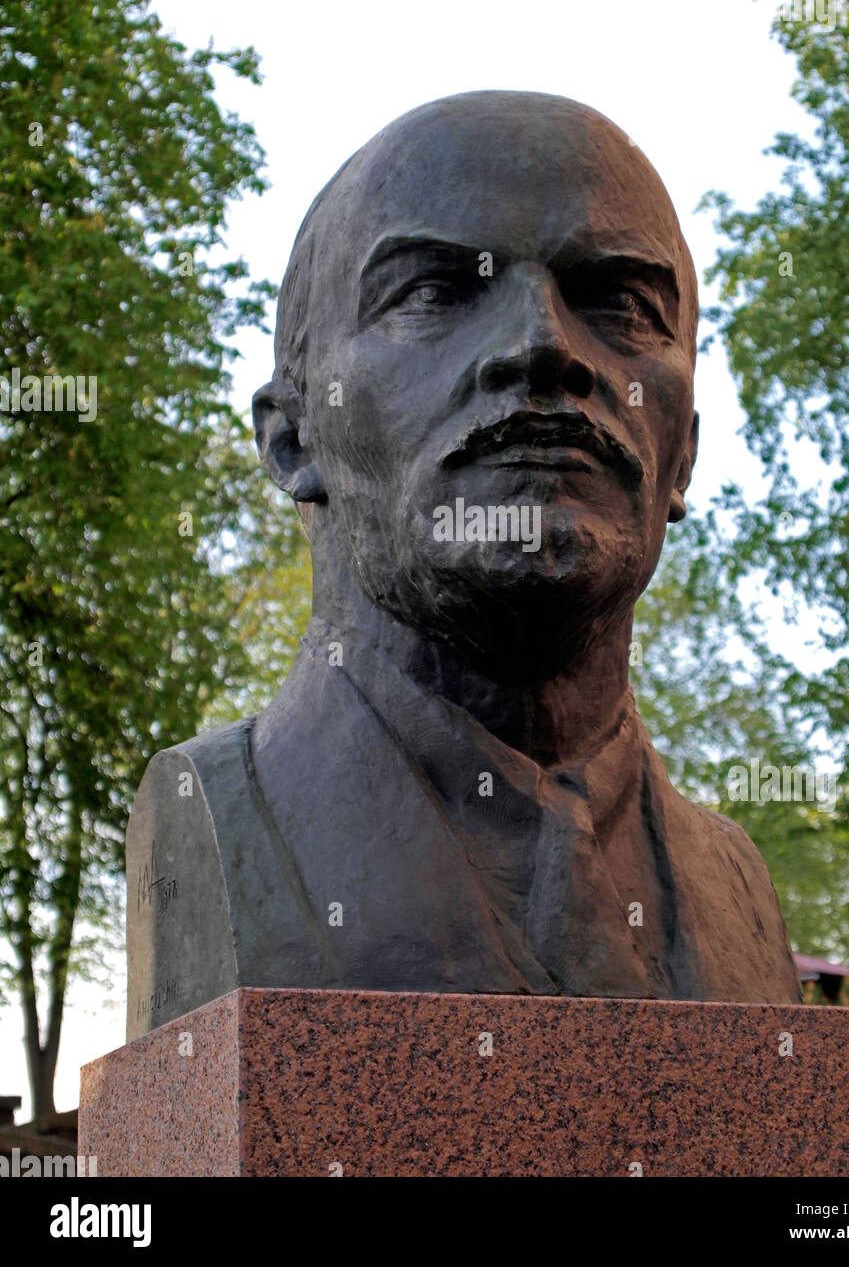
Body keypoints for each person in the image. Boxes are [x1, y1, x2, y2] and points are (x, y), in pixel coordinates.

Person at [126, 91, 801, 1038]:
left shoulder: (735, 885)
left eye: (620, 304)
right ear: (293, 440)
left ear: (682, 452)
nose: (543, 347)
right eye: (433, 295)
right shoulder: (215, 818)